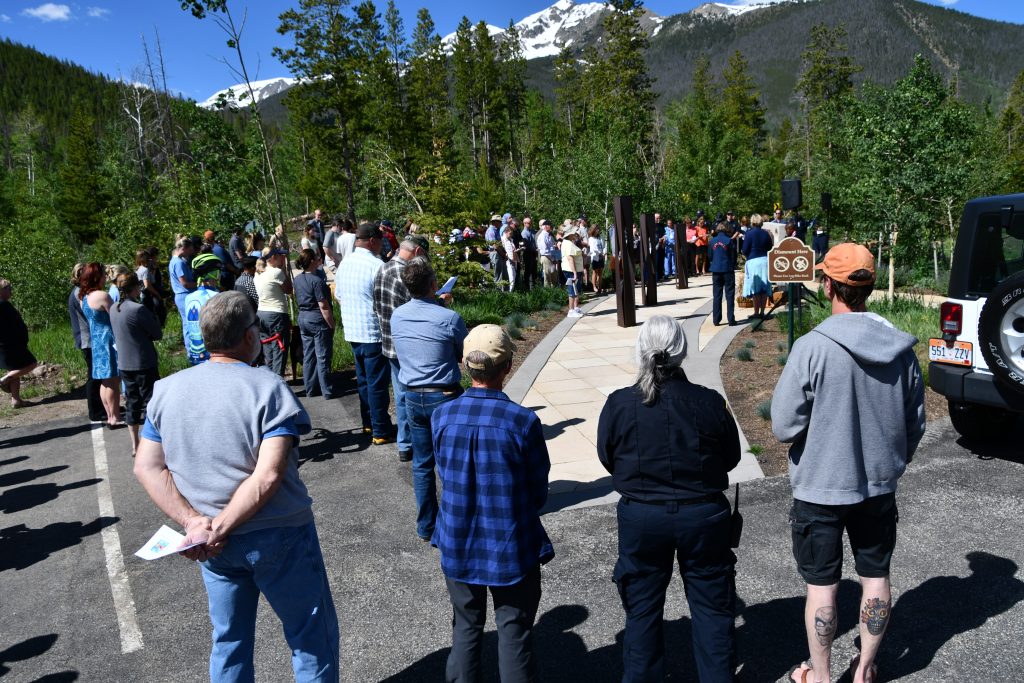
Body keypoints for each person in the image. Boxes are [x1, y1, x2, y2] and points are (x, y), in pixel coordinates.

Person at [133, 291, 339, 683]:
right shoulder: (267, 387)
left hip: (211, 545)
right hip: (278, 534)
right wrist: (219, 527)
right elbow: (268, 475)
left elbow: (146, 466)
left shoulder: (166, 390)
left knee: (229, 641)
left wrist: (197, 524)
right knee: (310, 637)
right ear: (249, 336)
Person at [771, 244, 926, 683]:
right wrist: (892, 462)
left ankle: (820, 677)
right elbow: (915, 423)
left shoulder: (812, 347)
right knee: (875, 576)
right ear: (870, 287)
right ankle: (864, 671)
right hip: (878, 487)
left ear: (828, 285)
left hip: (819, 486)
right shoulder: (900, 349)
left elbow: (783, 425)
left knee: (822, 586)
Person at [598, 315, 740, 683]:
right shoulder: (709, 402)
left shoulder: (618, 403)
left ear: (641, 350)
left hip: (643, 516)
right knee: (711, 607)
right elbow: (731, 457)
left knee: (642, 610)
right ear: (682, 351)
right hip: (703, 515)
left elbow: (607, 457)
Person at [432, 324, 553, 683]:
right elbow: (538, 489)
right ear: (507, 367)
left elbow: (443, 471)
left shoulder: (442, 416)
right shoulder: (523, 422)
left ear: (467, 367)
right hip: (510, 540)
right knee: (513, 631)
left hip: (457, 537)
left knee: (466, 626)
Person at [391, 257, 467, 542]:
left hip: (412, 396)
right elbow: (464, 352)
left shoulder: (397, 316)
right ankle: (455, 523)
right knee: (450, 464)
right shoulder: (448, 318)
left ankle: (426, 525)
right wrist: (443, 308)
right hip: (444, 395)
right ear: (434, 285)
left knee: (422, 464)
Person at [373, 234, 432, 463]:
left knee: (400, 396)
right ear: (417, 252)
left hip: (389, 342)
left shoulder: (382, 268)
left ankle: (404, 444)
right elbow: (419, 309)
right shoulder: (405, 274)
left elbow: (376, 305)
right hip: (409, 345)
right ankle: (417, 443)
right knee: (416, 396)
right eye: (424, 256)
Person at [335, 222, 394, 444]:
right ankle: (380, 430)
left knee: (362, 381)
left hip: (353, 331)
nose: (382, 245)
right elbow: (385, 300)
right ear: (372, 241)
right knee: (377, 383)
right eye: (380, 241)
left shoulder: (345, 264)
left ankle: (368, 423)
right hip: (372, 332)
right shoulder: (376, 265)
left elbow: (339, 296)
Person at [109, 272, 162, 455]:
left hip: (124, 362)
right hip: (143, 362)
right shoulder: (137, 309)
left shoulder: (114, 308)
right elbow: (157, 333)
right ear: (135, 288)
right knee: (150, 402)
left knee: (132, 402)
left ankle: (135, 443)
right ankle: (151, 443)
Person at [78, 263, 122, 426]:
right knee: (112, 380)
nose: (105, 277)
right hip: (108, 339)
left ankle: (110, 414)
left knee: (104, 381)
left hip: (96, 340)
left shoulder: (83, 297)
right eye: (103, 275)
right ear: (96, 277)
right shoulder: (101, 295)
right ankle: (115, 416)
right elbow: (116, 315)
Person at [294, 249, 335, 400]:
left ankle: (310, 388)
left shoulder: (298, 279)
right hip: (316, 318)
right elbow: (323, 306)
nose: (319, 260)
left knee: (308, 355)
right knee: (322, 355)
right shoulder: (317, 281)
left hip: (303, 317)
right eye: (317, 258)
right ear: (311, 261)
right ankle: (327, 389)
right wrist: (331, 323)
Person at [69, 264, 105, 422]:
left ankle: (103, 406)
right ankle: (95, 411)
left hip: (88, 337)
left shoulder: (79, 292)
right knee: (94, 375)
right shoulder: (79, 293)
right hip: (88, 339)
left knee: (99, 374)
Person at [0, 279, 39, 409]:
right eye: (8, 288)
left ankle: (16, 400)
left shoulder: (4, 304)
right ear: (1, 291)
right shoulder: (3, 305)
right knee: (32, 363)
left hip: (8, 344)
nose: (11, 290)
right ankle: (4, 379)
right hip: (10, 344)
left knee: (14, 368)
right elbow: (12, 326)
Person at [254, 247, 293, 376]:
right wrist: (284, 269)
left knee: (268, 351)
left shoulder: (258, 273)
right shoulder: (276, 272)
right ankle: (278, 383)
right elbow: (288, 289)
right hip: (276, 314)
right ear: (273, 258)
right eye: (280, 256)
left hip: (261, 313)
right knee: (279, 350)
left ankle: (269, 380)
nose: (283, 258)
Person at [183, 253, 223, 366]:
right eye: (218, 271)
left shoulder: (189, 297)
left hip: (195, 354)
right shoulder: (215, 295)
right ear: (214, 273)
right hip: (213, 355)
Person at [742, 213, 774, 319]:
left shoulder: (749, 233)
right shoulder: (766, 233)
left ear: (752, 221)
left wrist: (748, 255)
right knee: (764, 287)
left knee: (755, 288)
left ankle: (756, 312)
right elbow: (770, 247)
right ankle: (762, 312)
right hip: (765, 261)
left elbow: (745, 249)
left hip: (753, 261)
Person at [709, 222, 738, 326]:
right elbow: (733, 256)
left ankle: (716, 320)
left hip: (716, 270)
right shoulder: (729, 241)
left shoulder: (712, 241)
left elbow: (710, 256)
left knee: (717, 295)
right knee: (729, 295)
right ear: (726, 230)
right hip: (727, 269)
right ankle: (731, 319)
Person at [169, 236, 197, 315]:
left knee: (187, 321)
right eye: (190, 250)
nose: (191, 252)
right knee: (191, 321)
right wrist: (199, 284)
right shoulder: (179, 263)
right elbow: (185, 283)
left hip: (182, 296)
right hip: (185, 296)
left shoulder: (174, 260)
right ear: (184, 248)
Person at [561, 231, 584, 318]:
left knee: (574, 289)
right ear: (569, 235)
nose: (575, 235)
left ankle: (574, 308)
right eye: (573, 234)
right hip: (571, 270)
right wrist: (574, 272)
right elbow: (570, 258)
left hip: (571, 269)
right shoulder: (568, 244)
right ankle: (571, 310)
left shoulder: (568, 243)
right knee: (572, 290)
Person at [536, 220, 559, 287]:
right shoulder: (543, 236)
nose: (551, 227)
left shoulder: (549, 235)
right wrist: (552, 258)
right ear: (546, 226)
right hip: (546, 257)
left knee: (553, 276)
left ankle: (554, 291)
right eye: (550, 226)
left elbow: (551, 247)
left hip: (551, 257)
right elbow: (544, 250)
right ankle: (548, 293)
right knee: (547, 277)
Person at [520, 216, 538, 291]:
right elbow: (526, 245)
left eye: (529, 223)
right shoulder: (524, 233)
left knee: (533, 271)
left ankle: (532, 287)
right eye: (526, 223)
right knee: (529, 271)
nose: (528, 224)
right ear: (524, 224)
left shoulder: (532, 231)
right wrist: (535, 249)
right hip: (528, 254)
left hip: (533, 254)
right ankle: (528, 288)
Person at [588, 226, 607, 294]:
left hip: (601, 257)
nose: (598, 230)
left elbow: (603, 246)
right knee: (595, 272)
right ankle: (594, 286)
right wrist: (600, 253)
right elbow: (593, 249)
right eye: (596, 229)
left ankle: (600, 287)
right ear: (593, 230)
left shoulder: (600, 237)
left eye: (598, 229)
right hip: (595, 257)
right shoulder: (591, 238)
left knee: (600, 273)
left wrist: (604, 252)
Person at [501, 224, 518, 293]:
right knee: (510, 277)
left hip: (514, 260)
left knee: (513, 276)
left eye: (512, 233)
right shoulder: (503, 239)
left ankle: (511, 291)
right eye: (510, 233)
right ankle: (509, 292)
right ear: (506, 232)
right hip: (508, 260)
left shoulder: (511, 240)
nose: (511, 235)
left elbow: (512, 250)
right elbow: (504, 250)